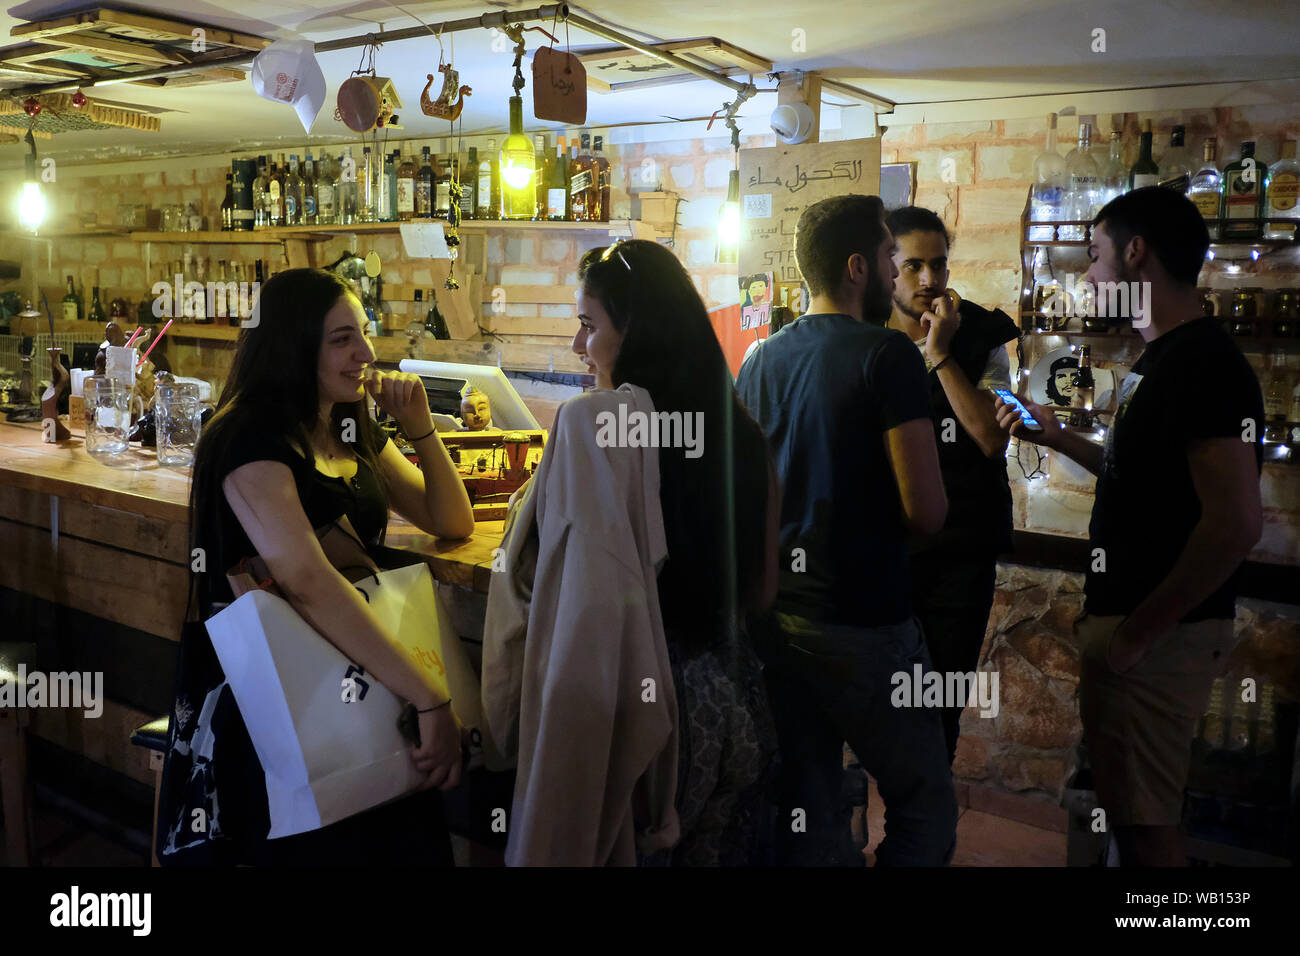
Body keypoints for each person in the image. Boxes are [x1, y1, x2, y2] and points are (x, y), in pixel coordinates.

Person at [157, 268, 475, 866]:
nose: (366, 353)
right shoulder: (248, 437)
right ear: (294, 345)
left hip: (364, 678)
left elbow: (450, 519)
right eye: (341, 339)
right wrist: (430, 700)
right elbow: (304, 580)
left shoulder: (349, 425)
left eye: (364, 332)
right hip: (278, 692)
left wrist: (421, 429)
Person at [482, 239, 780, 866]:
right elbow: (763, 591)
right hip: (734, 698)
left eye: (588, 326)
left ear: (636, 331)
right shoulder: (743, 436)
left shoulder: (601, 437)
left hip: (644, 702)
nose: (577, 346)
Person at [995, 187, 1264, 866]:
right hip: (1137, 629)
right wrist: (1057, 439)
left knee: (1147, 830)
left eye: (1095, 256)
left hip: (1156, 635)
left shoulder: (1204, 363)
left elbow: (1235, 525)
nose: (1087, 276)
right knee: (1127, 817)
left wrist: (1138, 634)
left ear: (1136, 253)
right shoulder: (1161, 357)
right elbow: (1134, 470)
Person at [736, 194, 958, 866]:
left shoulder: (757, 360)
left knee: (810, 804)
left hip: (779, 621)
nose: (900, 272)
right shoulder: (889, 355)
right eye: (892, 256)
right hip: (865, 624)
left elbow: (750, 492)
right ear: (859, 266)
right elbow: (928, 511)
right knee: (925, 807)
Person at [884, 205, 1020, 765]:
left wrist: (940, 354)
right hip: (882, 550)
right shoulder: (864, 338)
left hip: (958, 555)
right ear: (882, 265)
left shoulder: (980, 336)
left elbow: (991, 437)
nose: (928, 280)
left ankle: (922, 838)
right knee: (872, 709)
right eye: (912, 265)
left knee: (936, 713)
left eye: (938, 265)